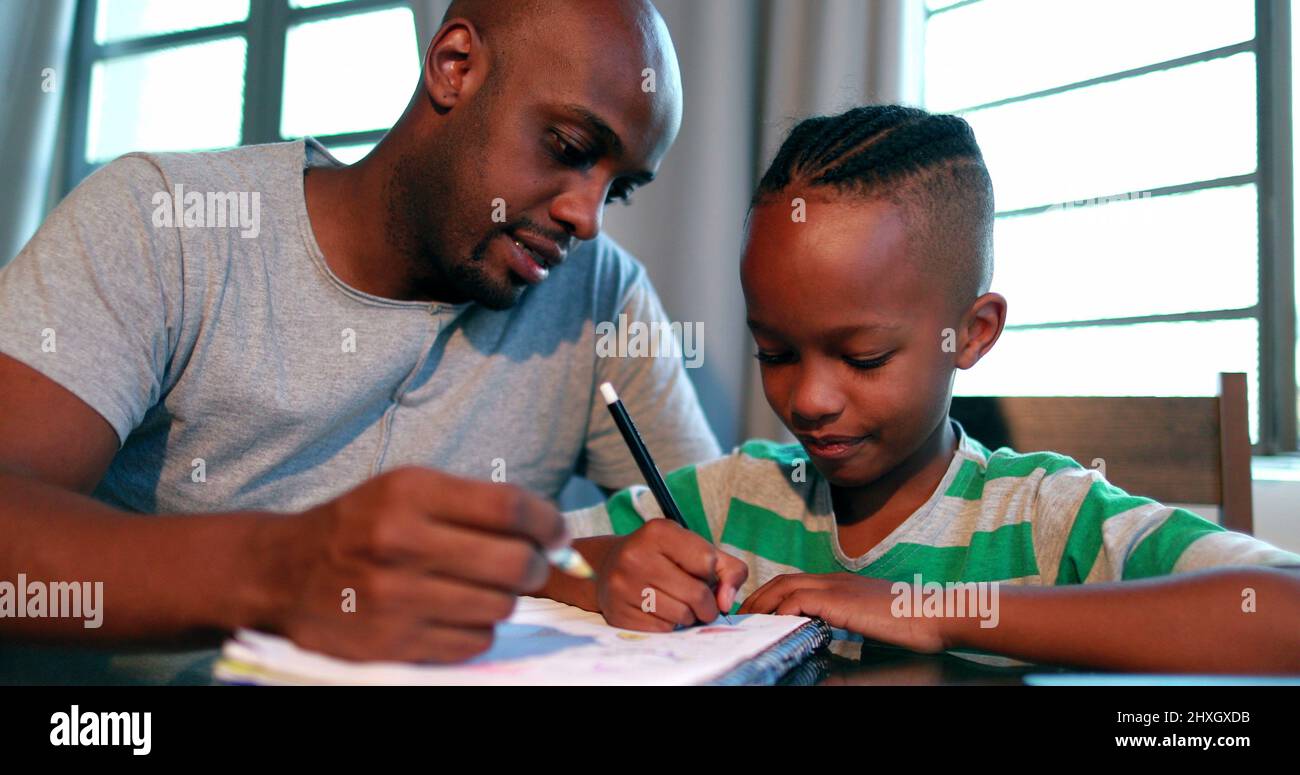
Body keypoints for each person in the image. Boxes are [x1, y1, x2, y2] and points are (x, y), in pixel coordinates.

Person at [0, 0, 719, 666]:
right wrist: (279, 571)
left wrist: (587, 569)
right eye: (566, 146)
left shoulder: (599, 295)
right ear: (455, 67)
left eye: (617, 188)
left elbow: (703, 541)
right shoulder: (167, 225)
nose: (588, 219)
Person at [543, 105, 1300, 672]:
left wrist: (935, 610)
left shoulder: (1048, 519)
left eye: (864, 357)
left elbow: (1282, 610)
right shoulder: (730, 499)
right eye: (773, 351)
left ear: (973, 333)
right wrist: (604, 568)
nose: (809, 399)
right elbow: (527, 558)